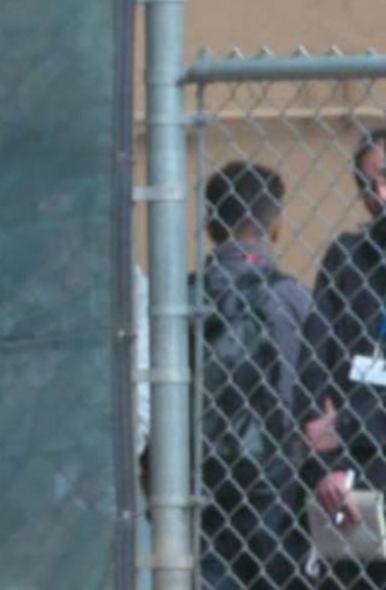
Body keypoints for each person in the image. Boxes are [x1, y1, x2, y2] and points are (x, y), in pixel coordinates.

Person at [192, 162, 313, 588]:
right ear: (275, 225)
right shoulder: (292, 299)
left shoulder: (185, 298)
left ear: (209, 225)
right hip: (274, 485)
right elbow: (306, 392)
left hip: (197, 482)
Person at [297, 129, 386, 588]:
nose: (381, 193)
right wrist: (326, 464)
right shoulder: (350, 259)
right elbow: (315, 360)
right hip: (361, 466)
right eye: (370, 183)